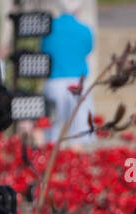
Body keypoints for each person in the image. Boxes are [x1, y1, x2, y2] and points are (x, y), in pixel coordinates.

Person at [41, 0, 94, 146]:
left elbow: (43, 49)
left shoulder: (49, 28)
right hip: (77, 82)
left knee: (52, 130)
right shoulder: (85, 29)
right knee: (79, 131)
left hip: (54, 82)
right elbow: (88, 50)